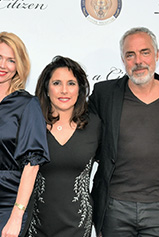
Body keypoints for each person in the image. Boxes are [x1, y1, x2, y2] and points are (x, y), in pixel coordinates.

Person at [89, 27, 159, 237]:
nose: (138, 61)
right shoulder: (104, 94)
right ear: (123, 60)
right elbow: (88, 139)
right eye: (130, 55)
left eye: (145, 52)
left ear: (156, 55)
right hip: (115, 208)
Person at [0, 32, 49, 237]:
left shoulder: (26, 105)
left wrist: (16, 216)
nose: (2, 65)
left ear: (18, 66)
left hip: (5, 205)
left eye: (11, 60)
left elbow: (32, 165)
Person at [31, 56, 100, 237]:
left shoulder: (95, 125)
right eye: (56, 83)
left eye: (71, 83)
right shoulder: (33, 124)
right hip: (35, 226)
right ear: (46, 89)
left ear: (80, 89)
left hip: (78, 226)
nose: (64, 90)